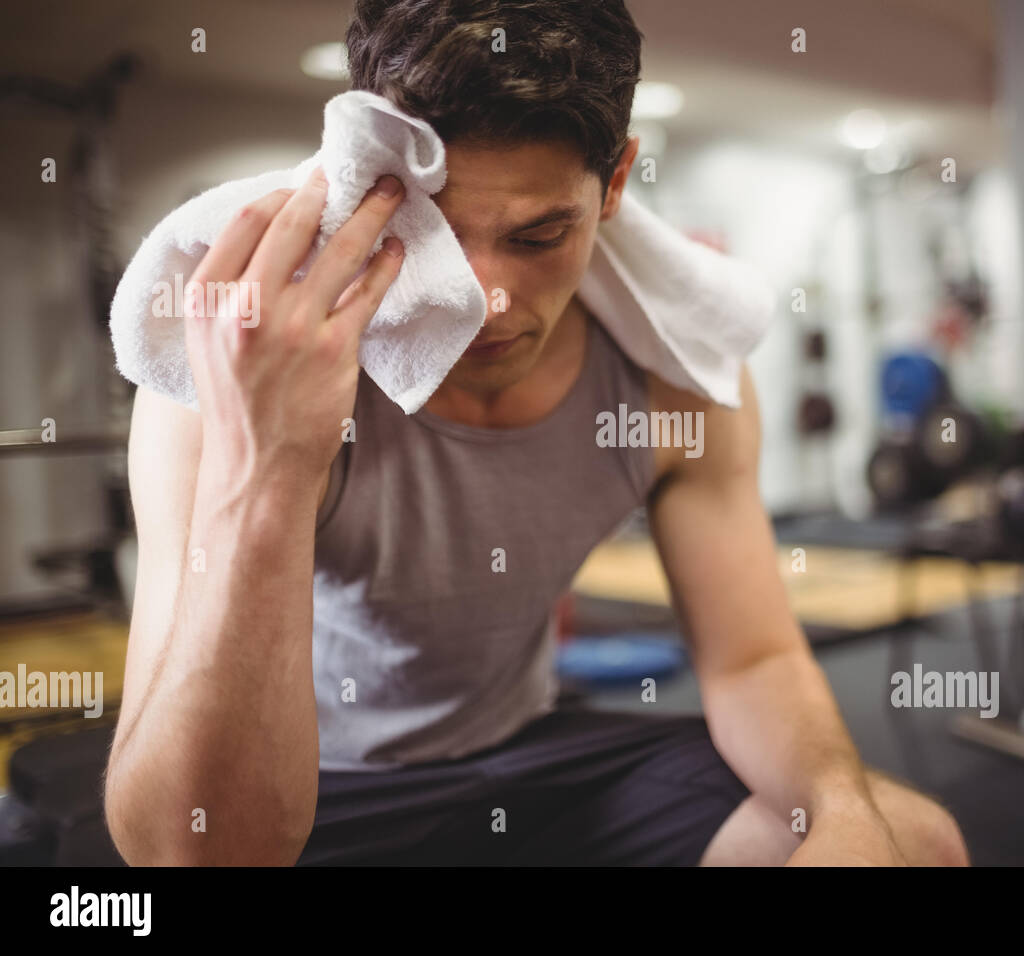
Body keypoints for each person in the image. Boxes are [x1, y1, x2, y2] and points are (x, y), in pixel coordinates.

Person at [103, 0, 969, 866]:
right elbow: (185, 855)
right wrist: (271, 466)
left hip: (533, 758)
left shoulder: (677, 379)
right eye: (435, 234)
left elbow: (753, 659)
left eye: (539, 234)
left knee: (913, 842)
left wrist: (839, 807)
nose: (487, 302)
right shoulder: (224, 385)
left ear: (617, 181)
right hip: (315, 785)